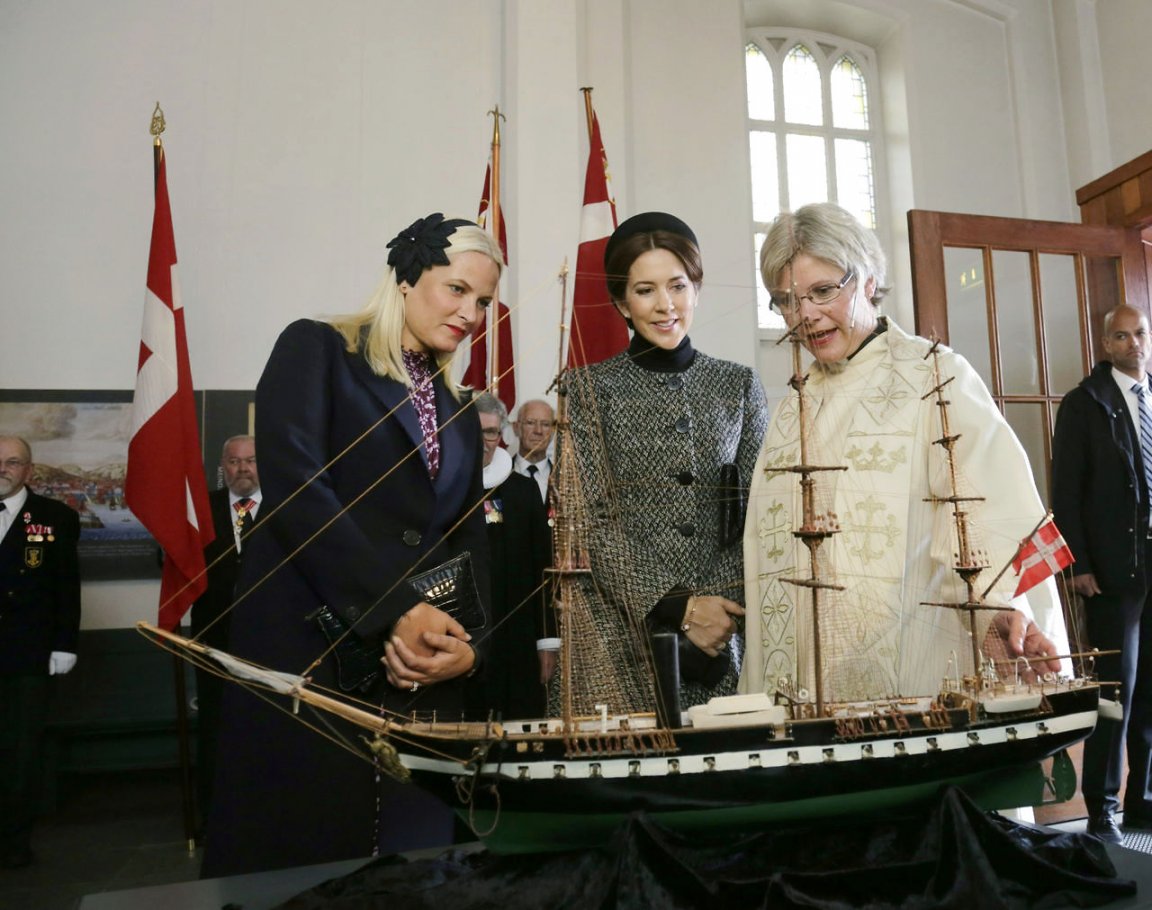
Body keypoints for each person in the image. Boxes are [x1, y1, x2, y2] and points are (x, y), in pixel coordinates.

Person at [200, 213, 500, 878]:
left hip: (420, 679)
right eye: (456, 290)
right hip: (307, 657)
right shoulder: (316, 348)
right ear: (405, 278)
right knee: (302, 860)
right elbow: (299, 488)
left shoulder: (456, 409)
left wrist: (468, 646)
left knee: (413, 861)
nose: (471, 313)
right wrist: (395, 609)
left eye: (483, 301)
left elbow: (469, 537)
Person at [739, 202, 1066, 709]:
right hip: (803, 687)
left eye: (823, 291)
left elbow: (984, 515)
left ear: (867, 278)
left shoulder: (933, 376)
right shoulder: (790, 411)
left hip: (915, 679)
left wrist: (995, 616)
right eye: (786, 301)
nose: (805, 315)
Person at [563, 211, 769, 716]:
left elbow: (760, 512)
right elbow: (585, 518)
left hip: (724, 635)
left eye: (677, 286)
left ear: (696, 288)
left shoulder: (738, 386)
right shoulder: (586, 388)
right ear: (620, 302)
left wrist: (719, 615)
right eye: (645, 290)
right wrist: (678, 607)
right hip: (617, 633)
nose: (665, 306)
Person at [1052, 303, 1152, 843]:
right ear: (1105, 343)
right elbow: (1065, 493)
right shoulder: (1083, 404)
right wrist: (1078, 566)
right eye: (1122, 335)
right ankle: (1102, 808)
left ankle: (1145, 801)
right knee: (1116, 692)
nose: (1134, 343)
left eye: (1141, 333)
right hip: (1112, 573)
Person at [0, 436, 81, 869]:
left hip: (26, 654)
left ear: (29, 470)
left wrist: (65, 643)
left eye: (13, 462)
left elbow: (67, 587)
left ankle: (13, 843)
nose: (3, 469)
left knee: (20, 752)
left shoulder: (55, 518)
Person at [189, 434, 260, 828]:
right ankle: (215, 814)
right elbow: (174, 564)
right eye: (234, 461)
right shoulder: (202, 511)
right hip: (214, 642)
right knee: (217, 729)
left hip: (274, 641)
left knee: (267, 728)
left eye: (250, 460)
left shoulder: (287, 509)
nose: (243, 468)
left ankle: (265, 808)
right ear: (223, 466)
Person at [469, 393, 554, 719]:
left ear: (502, 434)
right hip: (463, 635)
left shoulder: (523, 489)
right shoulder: (443, 487)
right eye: (477, 431)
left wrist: (547, 642)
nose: (485, 441)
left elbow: (541, 569)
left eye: (491, 432)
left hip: (517, 634)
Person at [511, 399, 555, 503]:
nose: (538, 431)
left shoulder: (565, 482)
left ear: (553, 431)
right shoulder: (500, 476)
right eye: (530, 423)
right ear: (516, 428)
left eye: (545, 424)